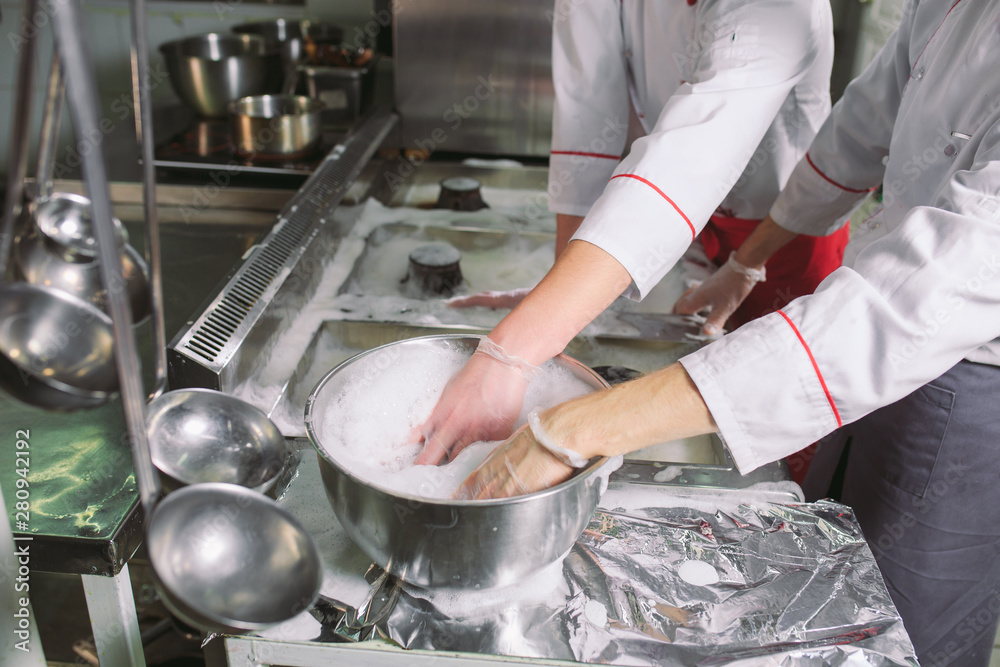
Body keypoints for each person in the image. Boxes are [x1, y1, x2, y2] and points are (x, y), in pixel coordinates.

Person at [434, 0, 1000, 663]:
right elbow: (858, 132)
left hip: (968, 376)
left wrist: (570, 426)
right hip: (869, 303)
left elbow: (886, 320)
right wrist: (746, 260)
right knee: (824, 582)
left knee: (904, 617)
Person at [414, 0, 842, 466]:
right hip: (684, 221)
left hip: (789, 223)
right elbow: (586, 121)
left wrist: (507, 355)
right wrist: (555, 310)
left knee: (775, 413)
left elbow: (694, 156)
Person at [447, 0, 847, 340]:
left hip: (784, 226)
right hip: (672, 212)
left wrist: (541, 324)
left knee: (771, 384)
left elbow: (700, 147)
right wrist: (561, 293)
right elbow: (586, 110)